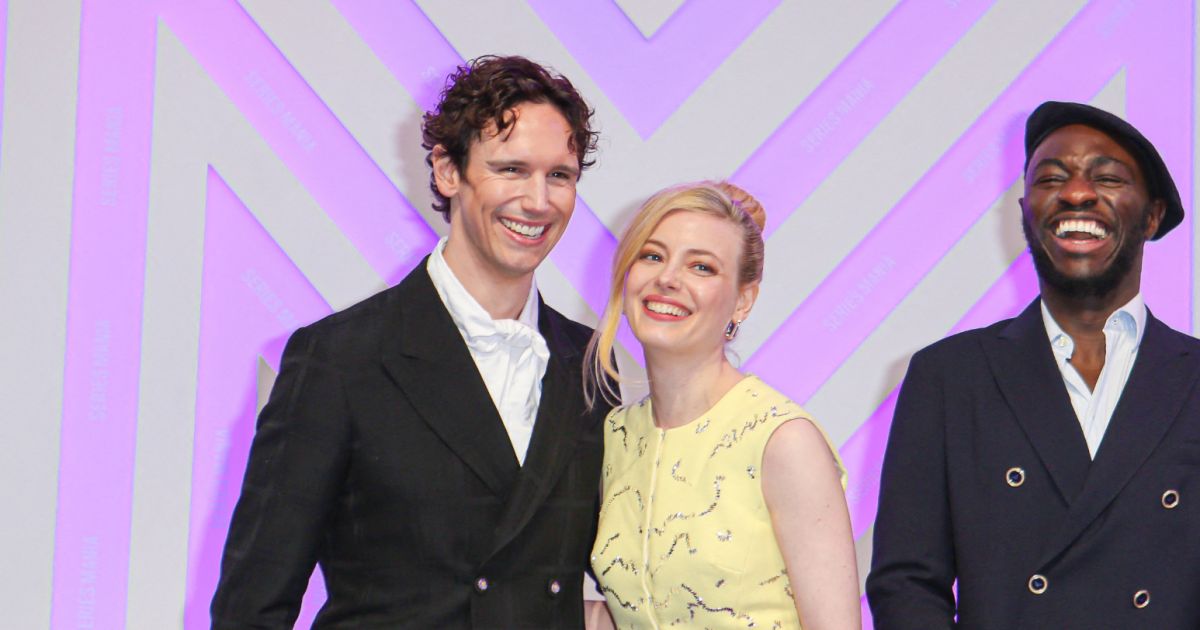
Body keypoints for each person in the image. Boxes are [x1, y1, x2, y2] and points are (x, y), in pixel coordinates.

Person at [210, 55, 613, 629]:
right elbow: (252, 607)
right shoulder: (340, 360)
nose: (538, 201)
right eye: (511, 169)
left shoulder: (593, 367)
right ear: (448, 170)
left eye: (560, 176)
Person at [867, 101, 1200, 628]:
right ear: (1026, 211)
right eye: (1051, 178)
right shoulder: (948, 377)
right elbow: (907, 583)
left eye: (1108, 178)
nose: (1076, 193)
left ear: (1153, 214)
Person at [584, 182, 861, 629]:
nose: (668, 278)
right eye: (652, 256)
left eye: (701, 267)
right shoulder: (616, 436)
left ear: (743, 300)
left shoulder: (782, 440)